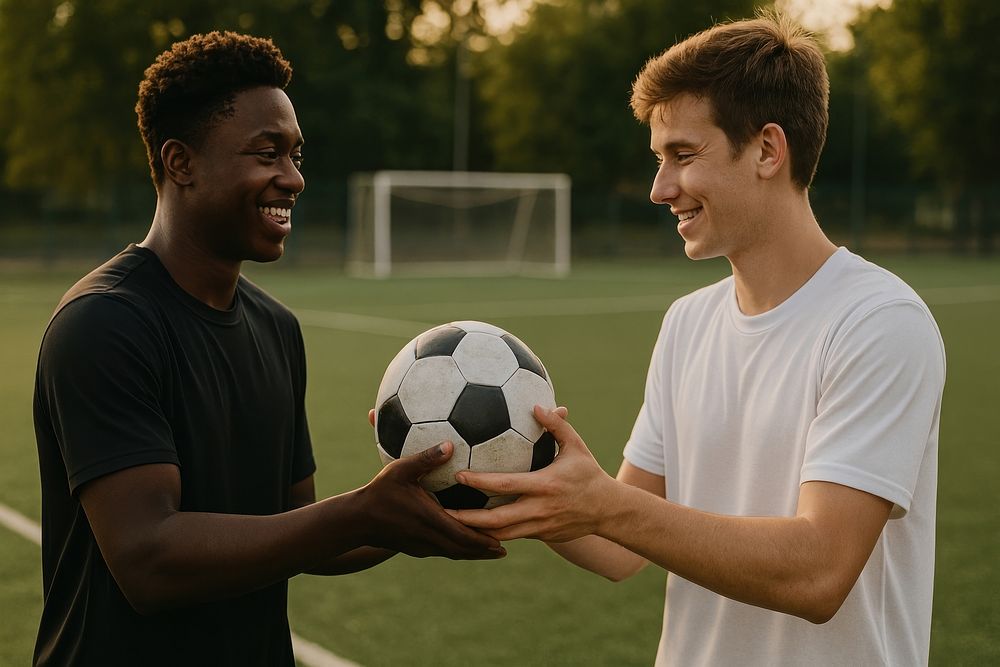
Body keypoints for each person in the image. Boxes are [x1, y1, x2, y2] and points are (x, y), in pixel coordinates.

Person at [452, 12, 945, 666]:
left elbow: (819, 571)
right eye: (659, 159)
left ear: (768, 150)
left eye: (682, 156)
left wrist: (606, 505)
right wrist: (496, 469)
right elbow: (618, 545)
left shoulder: (878, 322)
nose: (660, 189)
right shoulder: (687, 323)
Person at [32, 31, 503, 667]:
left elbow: (296, 527)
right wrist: (361, 512)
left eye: (295, 154)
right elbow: (148, 560)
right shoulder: (105, 323)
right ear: (181, 163)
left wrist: (427, 508)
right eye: (267, 153)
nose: (294, 178)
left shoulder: (276, 327)